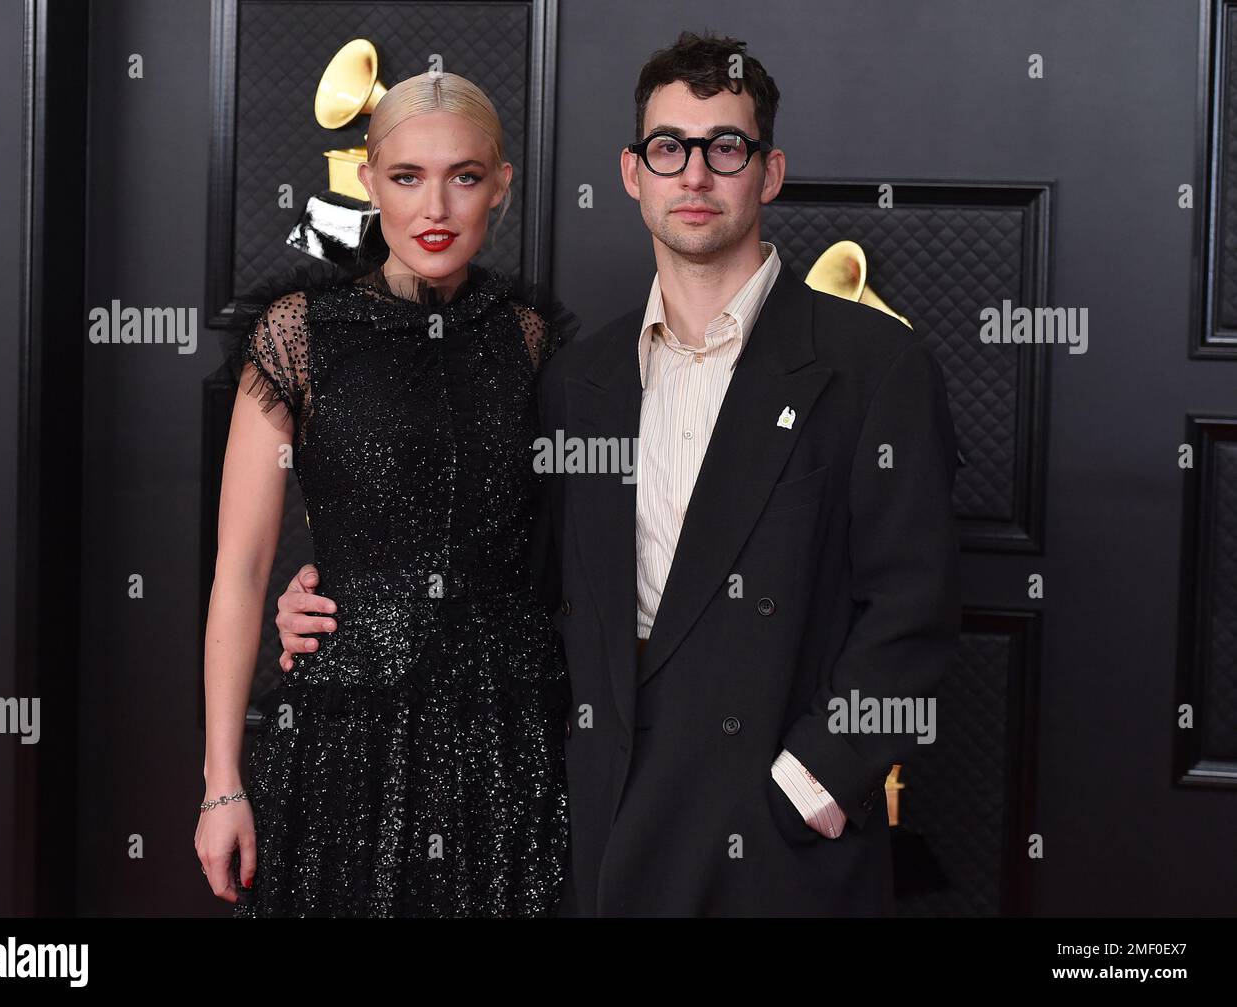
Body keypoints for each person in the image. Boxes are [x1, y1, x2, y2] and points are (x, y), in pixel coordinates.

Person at [278, 31, 961, 917]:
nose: (697, 175)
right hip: (604, 819)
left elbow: (918, 607)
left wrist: (818, 778)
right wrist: (351, 599)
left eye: (727, 147)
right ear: (635, 173)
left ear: (770, 171)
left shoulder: (874, 364)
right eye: (669, 147)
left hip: (777, 832)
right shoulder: (576, 379)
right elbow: (518, 584)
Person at [195, 70, 572, 917]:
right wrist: (223, 782)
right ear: (369, 182)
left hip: (506, 740)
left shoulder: (531, 340)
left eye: (464, 176)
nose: (434, 207)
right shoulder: (299, 334)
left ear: (500, 186)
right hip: (344, 740)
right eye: (407, 177)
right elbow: (242, 572)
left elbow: (567, 554)